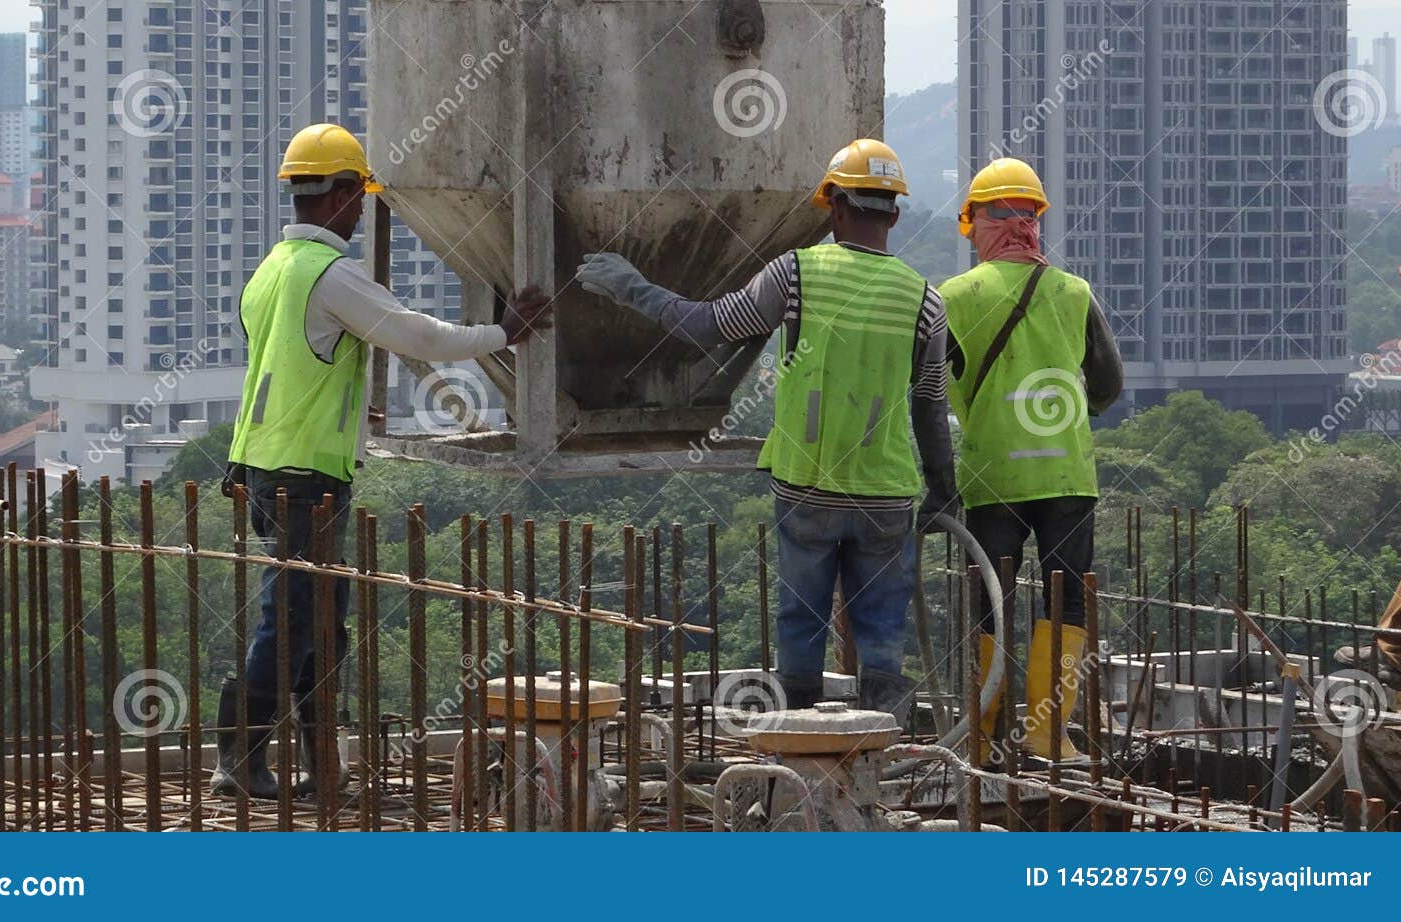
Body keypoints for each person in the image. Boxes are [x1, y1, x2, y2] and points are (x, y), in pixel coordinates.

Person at [212, 122, 551, 799]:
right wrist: (502, 333)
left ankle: (317, 766)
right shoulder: (329, 275)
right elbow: (413, 334)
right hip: (302, 479)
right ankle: (238, 762)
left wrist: (345, 415)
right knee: (291, 623)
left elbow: (290, 369)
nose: (362, 208)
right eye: (358, 194)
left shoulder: (270, 271)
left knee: (319, 620)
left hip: (263, 469)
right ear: (338, 194)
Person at [577, 138, 957, 724]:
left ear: (833, 207)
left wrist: (631, 286)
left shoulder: (797, 274)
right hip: (887, 494)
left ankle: (801, 745)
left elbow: (708, 326)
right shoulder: (925, 300)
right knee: (882, 630)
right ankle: (890, 754)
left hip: (806, 484)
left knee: (802, 619)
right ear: (896, 214)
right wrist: (943, 488)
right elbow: (930, 408)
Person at [938, 157, 1122, 761]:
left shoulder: (953, 298)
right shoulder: (1074, 293)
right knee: (1064, 597)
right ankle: (1047, 732)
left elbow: (930, 385)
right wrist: (1069, 411)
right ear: (1034, 222)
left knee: (990, 598)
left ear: (978, 225)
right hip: (1067, 473)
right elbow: (1108, 382)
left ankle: (984, 738)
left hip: (992, 474)